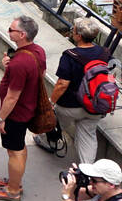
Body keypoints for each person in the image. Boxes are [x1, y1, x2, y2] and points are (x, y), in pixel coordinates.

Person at [33, 16, 111, 163]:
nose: (72, 32)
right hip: (95, 105)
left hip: (70, 105)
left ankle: (44, 140)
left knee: (54, 121)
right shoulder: (104, 53)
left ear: (78, 36)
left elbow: (62, 84)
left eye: (73, 30)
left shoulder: (70, 56)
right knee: (88, 135)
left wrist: (51, 102)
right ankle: (87, 170)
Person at [0, 16, 46, 201]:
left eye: (11, 29)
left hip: (16, 114)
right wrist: (8, 68)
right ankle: (15, 180)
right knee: (19, 147)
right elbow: (40, 75)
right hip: (29, 108)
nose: (8, 31)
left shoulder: (21, 62)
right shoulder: (38, 52)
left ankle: (12, 190)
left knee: (15, 151)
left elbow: (12, 96)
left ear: (22, 34)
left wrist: (1, 118)